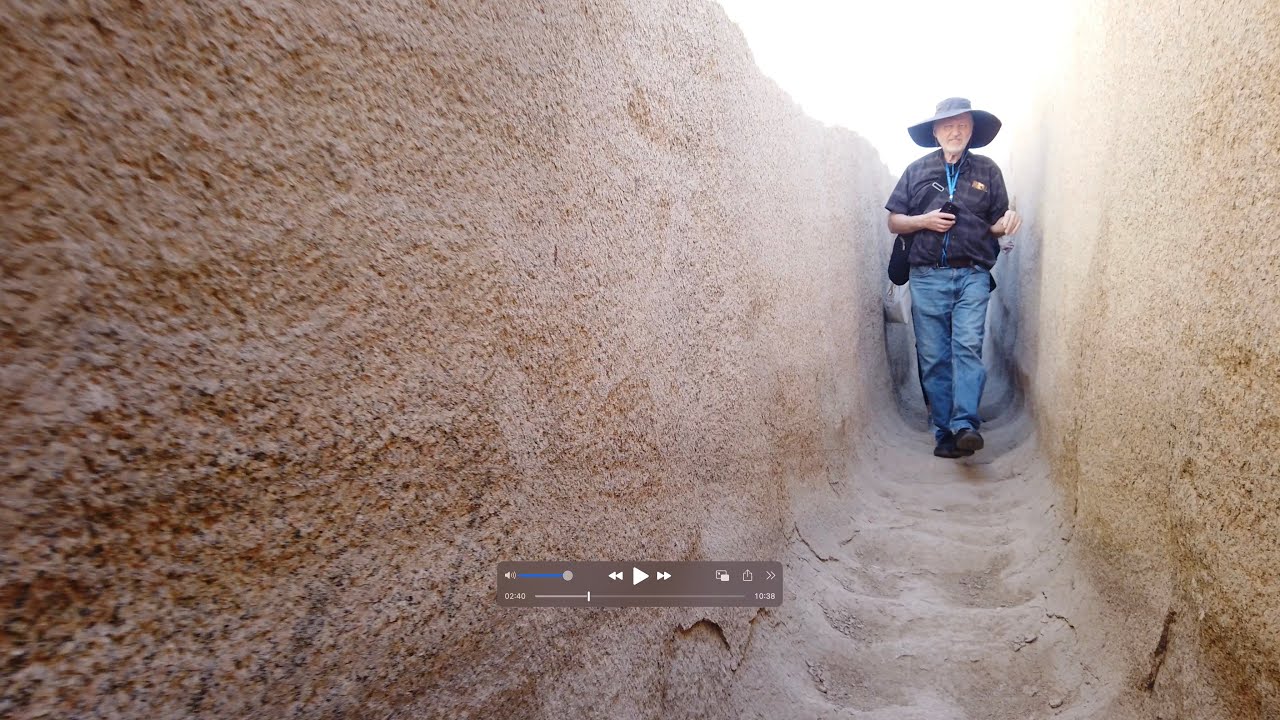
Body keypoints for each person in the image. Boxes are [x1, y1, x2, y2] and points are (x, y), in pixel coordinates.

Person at [885, 98, 1022, 459]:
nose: (955, 130)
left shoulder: (988, 171)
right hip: (927, 276)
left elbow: (995, 225)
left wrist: (1006, 222)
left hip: (973, 275)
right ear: (935, 131)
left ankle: (965, 425)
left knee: (966, 347)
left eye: (962, 124)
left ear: (972, 130)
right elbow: (894, 221)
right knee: (933, 356)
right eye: (947, 125)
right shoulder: (916, 171)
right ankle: (942, 430)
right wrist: (923, 221)